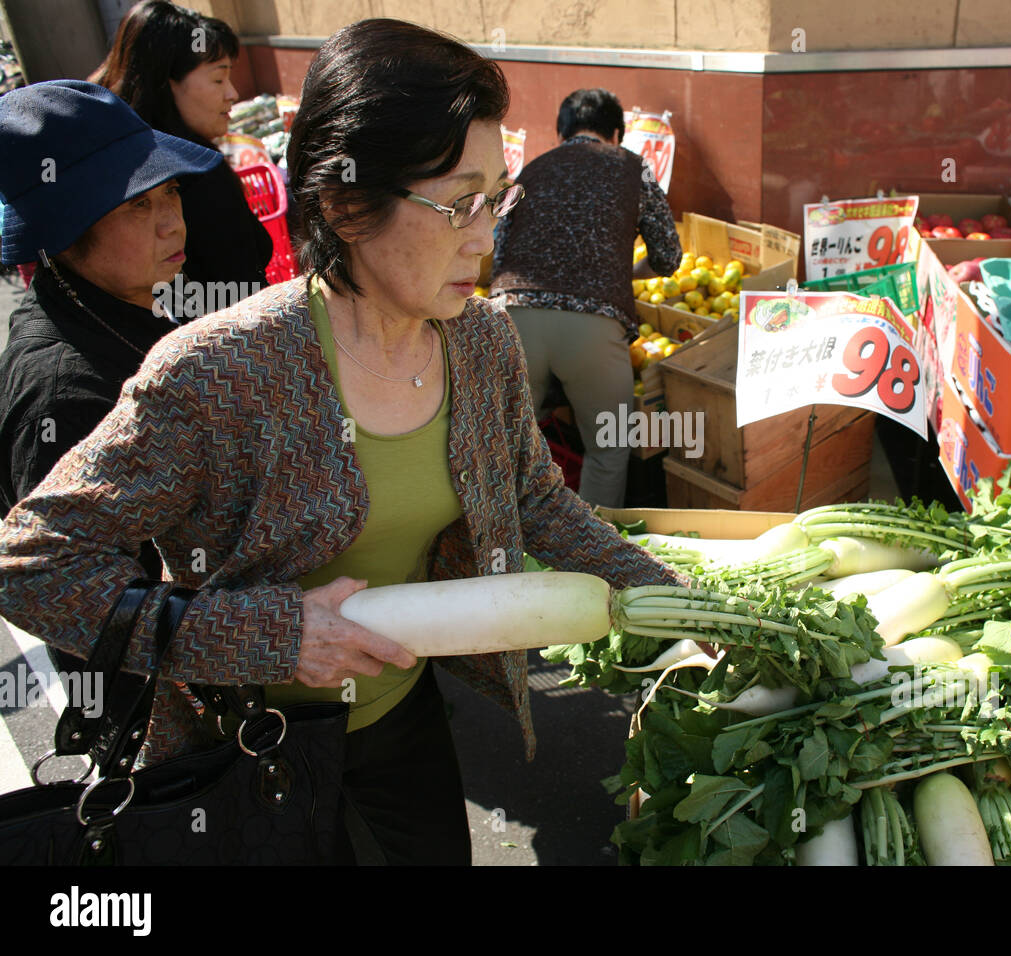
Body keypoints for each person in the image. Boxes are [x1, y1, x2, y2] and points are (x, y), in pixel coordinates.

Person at [0, 19, 687, 866]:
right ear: (343, 202)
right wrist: (270, 634)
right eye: (458, 203)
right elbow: (31, 564)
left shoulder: (481, 343)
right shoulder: (223, 370)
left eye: (498, 198)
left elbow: (535, 498)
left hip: (405, 729)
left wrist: (680, 600)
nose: (486, 236)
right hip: (248, 760)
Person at [0, 80, 220, 521]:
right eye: (138, 204)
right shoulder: (65, 401)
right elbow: (71, 581)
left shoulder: (126, 299)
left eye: (171, 191)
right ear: (65, 231)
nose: (171, 224)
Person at [491, 88, 682, 508]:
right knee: (609, 450)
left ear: (561, 132)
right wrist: (625, 276)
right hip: (594, 325)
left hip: (512, 320)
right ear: (617, 132)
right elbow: (669, 257)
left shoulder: (530, 172)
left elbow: (499, 254)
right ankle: (593, 562)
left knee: (505, 452)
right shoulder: (635, 168)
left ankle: (502, 553)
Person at [90, 0, 273, 297]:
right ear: (167, 82)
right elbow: (238, 293)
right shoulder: (200, 175)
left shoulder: (114, 163)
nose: (232, 93)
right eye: (218, 78)